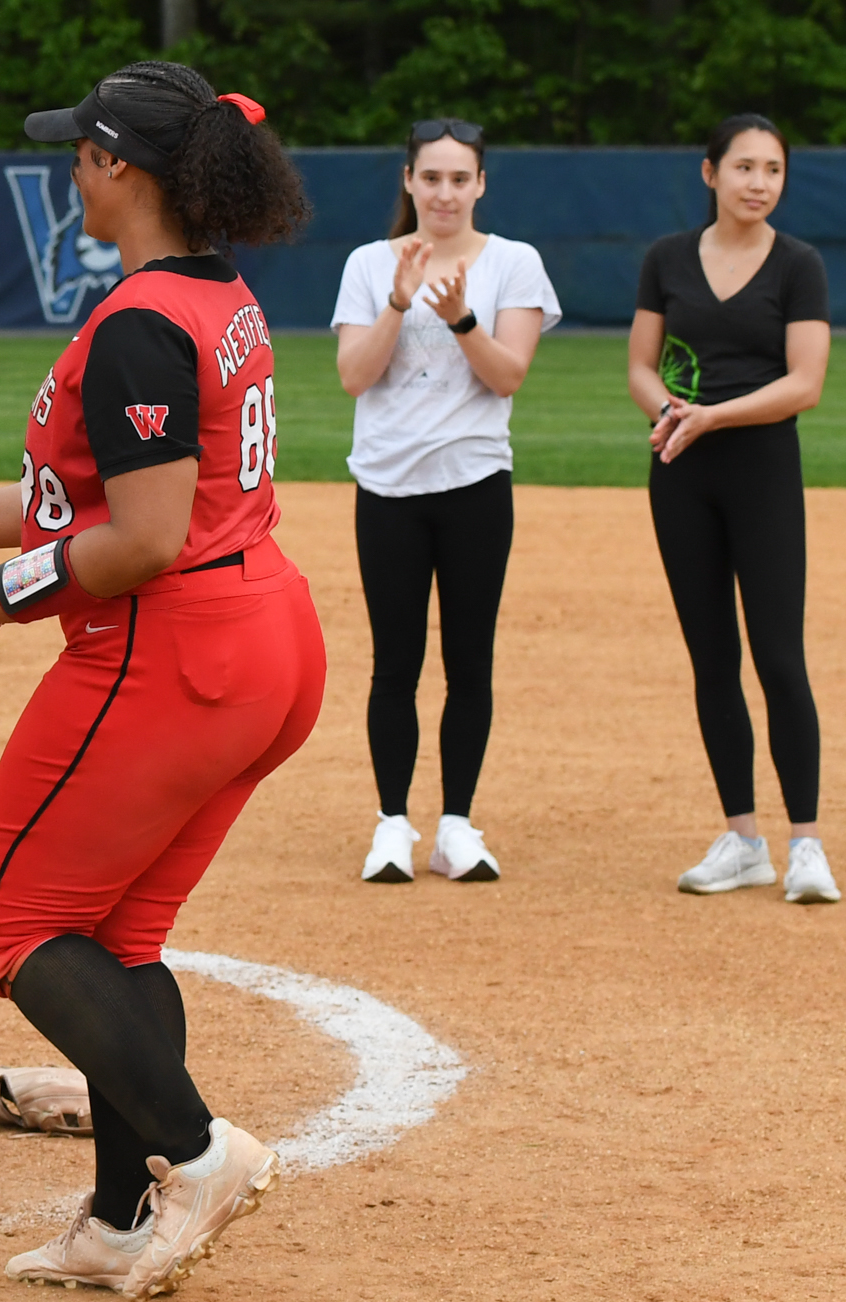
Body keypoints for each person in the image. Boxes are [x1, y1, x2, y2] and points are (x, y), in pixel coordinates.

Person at [0, 62, 323, 1299]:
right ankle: (115, 1221)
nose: (71, 170)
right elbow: (90, 496)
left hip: (172, 647)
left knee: (17, 924)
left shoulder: (137, 326)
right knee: (117, 934)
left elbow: (143, 537)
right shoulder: (206, 294)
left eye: (82, 152)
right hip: (259, 638)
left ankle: (200, 1152)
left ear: (121, 170)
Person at [330, 120, 560, 884]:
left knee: (470, 661)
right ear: (408, 181)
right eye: (432, 178)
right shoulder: (369, 264)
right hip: (389, 489)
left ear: (481, 185)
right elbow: (354, 376)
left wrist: (460, 316)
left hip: (475, 487)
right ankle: (392, 824)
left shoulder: (514, 263)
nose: (446, 193)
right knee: (394, 664)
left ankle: (456, 825)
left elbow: (508, 375)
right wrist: (398, 303)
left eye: (460, 179)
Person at [628, 113, 838, 905]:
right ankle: (744, 838)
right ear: (709, 173)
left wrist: (712, 414)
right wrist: (671, 411)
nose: (759, 182)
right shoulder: (667, 259)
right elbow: (641, 366)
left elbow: (804, 384)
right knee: (712, 659)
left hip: (761, 468)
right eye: (744, 167)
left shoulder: (799, 265)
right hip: (681, 469)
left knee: (780, 657)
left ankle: (807, 843)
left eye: (773, 170)